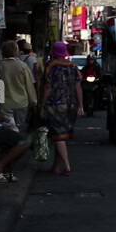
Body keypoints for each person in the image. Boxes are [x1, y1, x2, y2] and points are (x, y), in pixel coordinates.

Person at [41, 42, 83, 176]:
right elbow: (78, 87)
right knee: (62, 135)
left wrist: (42, 104)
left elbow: (48, 88)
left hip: (55, 104)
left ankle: (66, 165)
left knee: (58, 136)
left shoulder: (51, 67)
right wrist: (81, 105)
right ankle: (57, 167)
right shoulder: (73, 66)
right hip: (71, 104)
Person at [0, 40, 37, 134]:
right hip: (21, 103)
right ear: (16, 51)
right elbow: (29, 85)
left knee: (8, 130)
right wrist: (33, 102)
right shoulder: (22, 66)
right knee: (19, 129)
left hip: (5, 104)